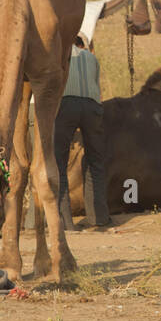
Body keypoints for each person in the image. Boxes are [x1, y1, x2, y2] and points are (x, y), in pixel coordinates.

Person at [54, 32, 111, 230]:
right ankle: (99, 218)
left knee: (59, 163)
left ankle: (65, 222)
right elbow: (96, 86)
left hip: (66, 104)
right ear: (82, 43)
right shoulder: (92, 58)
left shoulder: (60, 53)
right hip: (93, 107)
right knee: (95, 162)